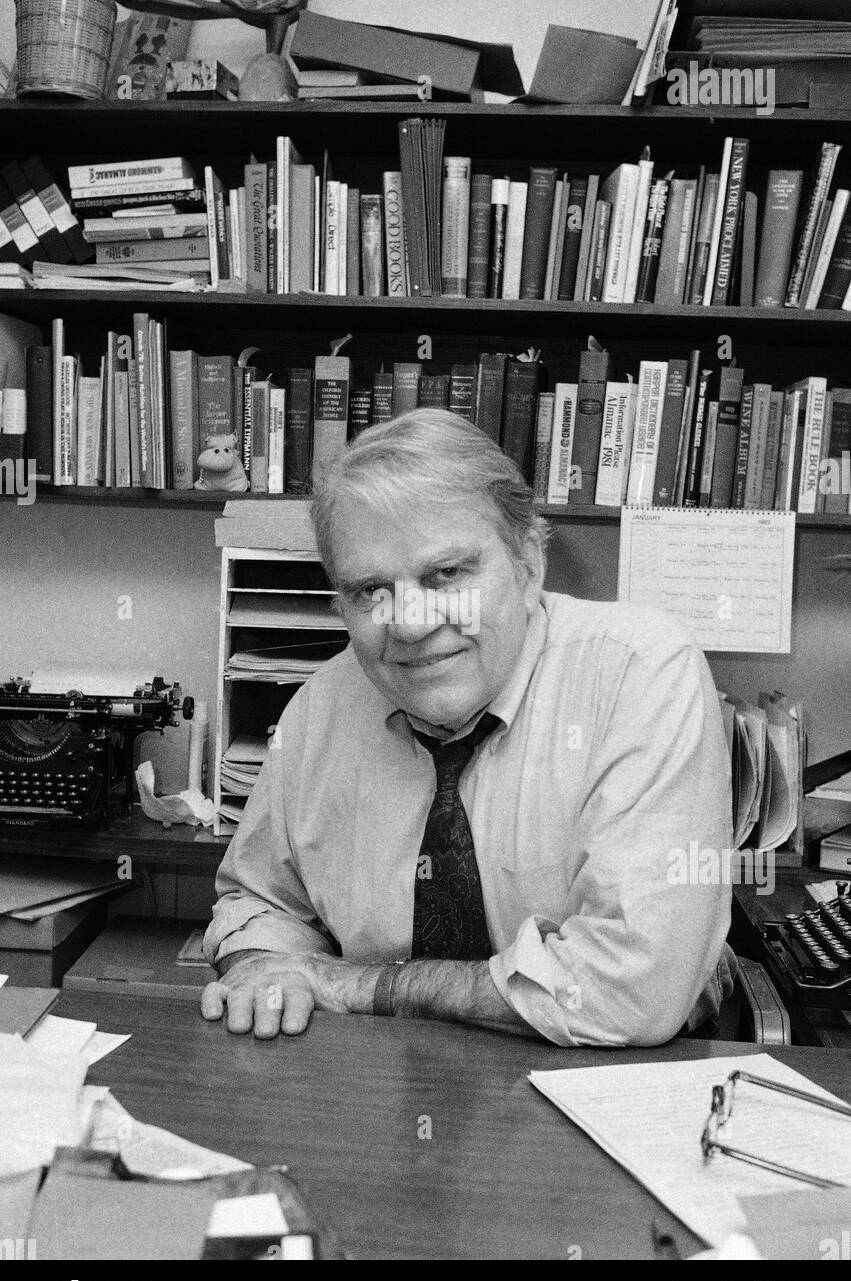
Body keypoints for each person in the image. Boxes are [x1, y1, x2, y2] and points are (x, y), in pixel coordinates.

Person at [202, 408, 734, 1045]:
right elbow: (258, 902)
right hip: (378, 1092)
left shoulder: (639, 672)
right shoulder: (323, 707)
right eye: (369, 589)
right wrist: (267, 971)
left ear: (529, 561)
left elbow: (629, 991)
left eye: (446, 574)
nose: (409, 623)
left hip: (610, 1087)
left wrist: (352, 984)